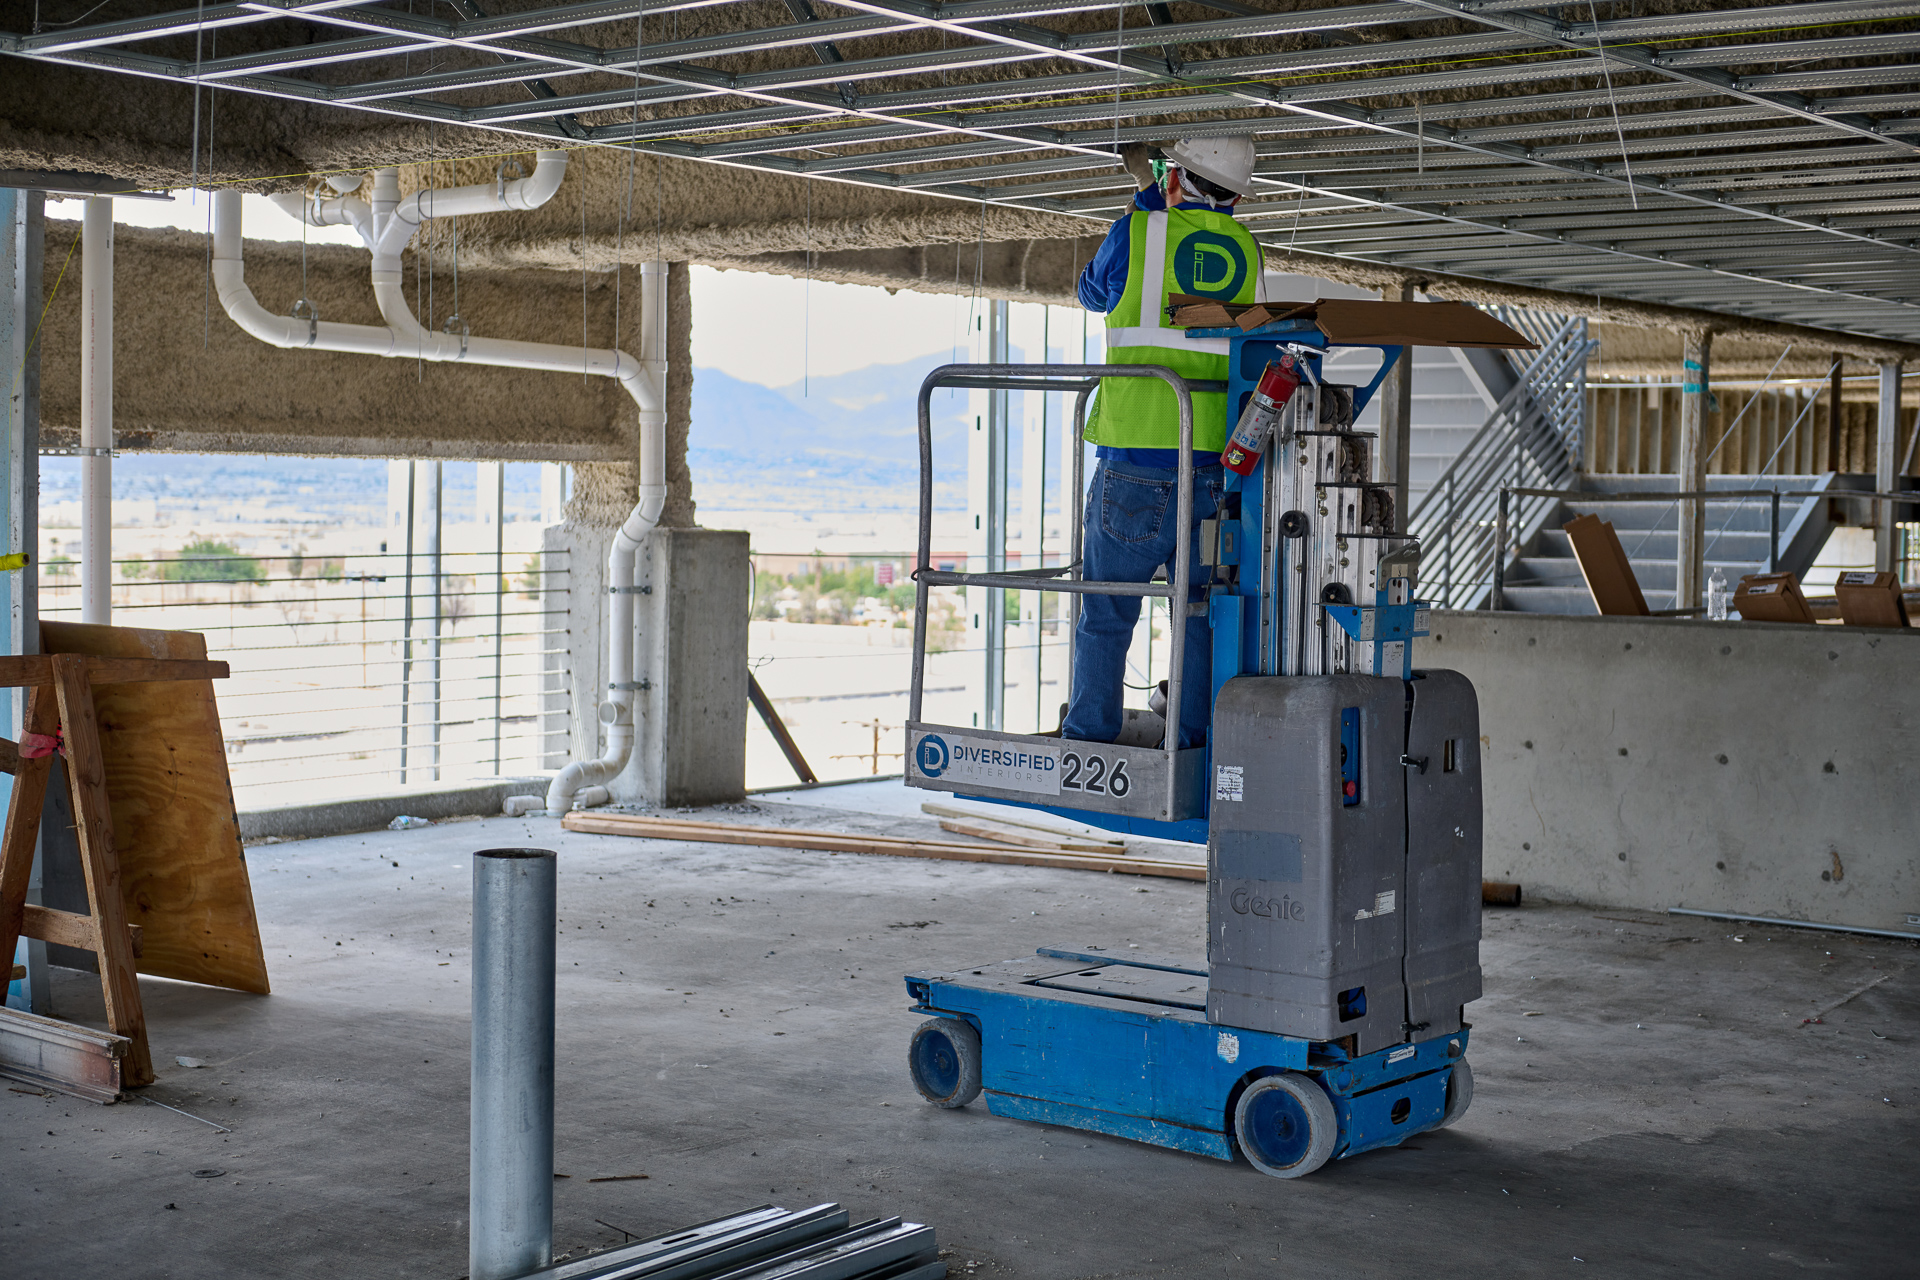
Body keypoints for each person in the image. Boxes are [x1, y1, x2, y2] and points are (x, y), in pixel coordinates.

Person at [1061, 135, 1261, 750]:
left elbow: (1094, 294)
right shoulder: (1246, 248)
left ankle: (1089, 736)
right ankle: (1194, 742)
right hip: (1215, 467)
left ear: (1183, 178)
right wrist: (1151, 201)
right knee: (1196, 614)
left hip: (1137, 457)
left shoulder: (1139, 232)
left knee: (1107, 613)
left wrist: (1142, 207)